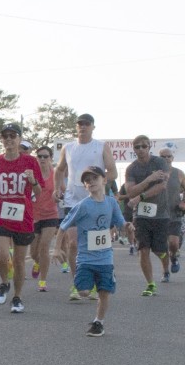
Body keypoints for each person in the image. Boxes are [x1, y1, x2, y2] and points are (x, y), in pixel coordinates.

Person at [0, 123, 41, 313]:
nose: (8, 139)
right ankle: (5, 283)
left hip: (23, 216)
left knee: (20, 261)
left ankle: (17, 297)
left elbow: (38, 192)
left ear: (19, 139)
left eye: (12, 136)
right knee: (1, 255)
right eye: (5, 136)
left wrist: (33, 181)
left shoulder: (30, 162)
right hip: (0, 214)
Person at [59, 165, 124, 336]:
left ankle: (98, 322)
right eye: (87, 180)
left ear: (104, 180)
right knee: (83, 292)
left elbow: (121, 223)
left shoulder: (111, 203)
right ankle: (92, 283)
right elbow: (63, 226)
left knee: (104, 293)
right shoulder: (83, 206)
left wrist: (128, 227)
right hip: (86, 258)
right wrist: (57, 249)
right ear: (85, 186)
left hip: (105, 258)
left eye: (94, 178)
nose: (91, 182)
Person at [53, 113, 116, 290]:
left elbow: (112, 172)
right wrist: (56, 188)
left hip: (95, 201)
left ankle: (98, 277)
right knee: (72, 243)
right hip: (73, 201)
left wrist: (98, 183)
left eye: (86, 124)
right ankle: (78, 283)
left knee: (94, 244)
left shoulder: (101, 146)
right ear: (76, 127)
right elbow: (59, 170)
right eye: (80, 124)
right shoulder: (68, 148)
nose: (83, 127)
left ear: (93, 127)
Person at [124, 135, 172, 297]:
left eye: (144, 146)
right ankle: (150, 284)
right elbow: (130, 191)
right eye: (137, 147)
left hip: (160, 214)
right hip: (141, 215)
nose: (141, 149)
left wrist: (141, 195)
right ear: (134, 149)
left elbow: (162, 186)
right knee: (143, 249)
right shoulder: (131, 169)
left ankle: (166, 266)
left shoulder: (159, 162)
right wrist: (149, 179)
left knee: (159, 250)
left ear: (149, 147)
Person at [29, 145, 60, 294]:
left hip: (51, 216)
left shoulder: (55, 174)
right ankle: (36, 263)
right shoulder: (32, 174)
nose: (42, 159)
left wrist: (58, 195)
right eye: (39, 156)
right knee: (34, 252)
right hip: (34, 216)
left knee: (44, 247)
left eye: (45, 156)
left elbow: (63, 190)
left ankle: (43, 280)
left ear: (51, 158)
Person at [160, 144, 183, 278]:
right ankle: (165, 271)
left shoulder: (179, 173)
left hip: (174, 213)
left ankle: (173, 257)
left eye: (169, 156)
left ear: (173, 158)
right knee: (162, 247)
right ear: (159, 158)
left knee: (173, 243)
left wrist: (183, 202)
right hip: (158, 215)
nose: (166, 159)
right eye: (163, 156)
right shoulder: (153, 173)